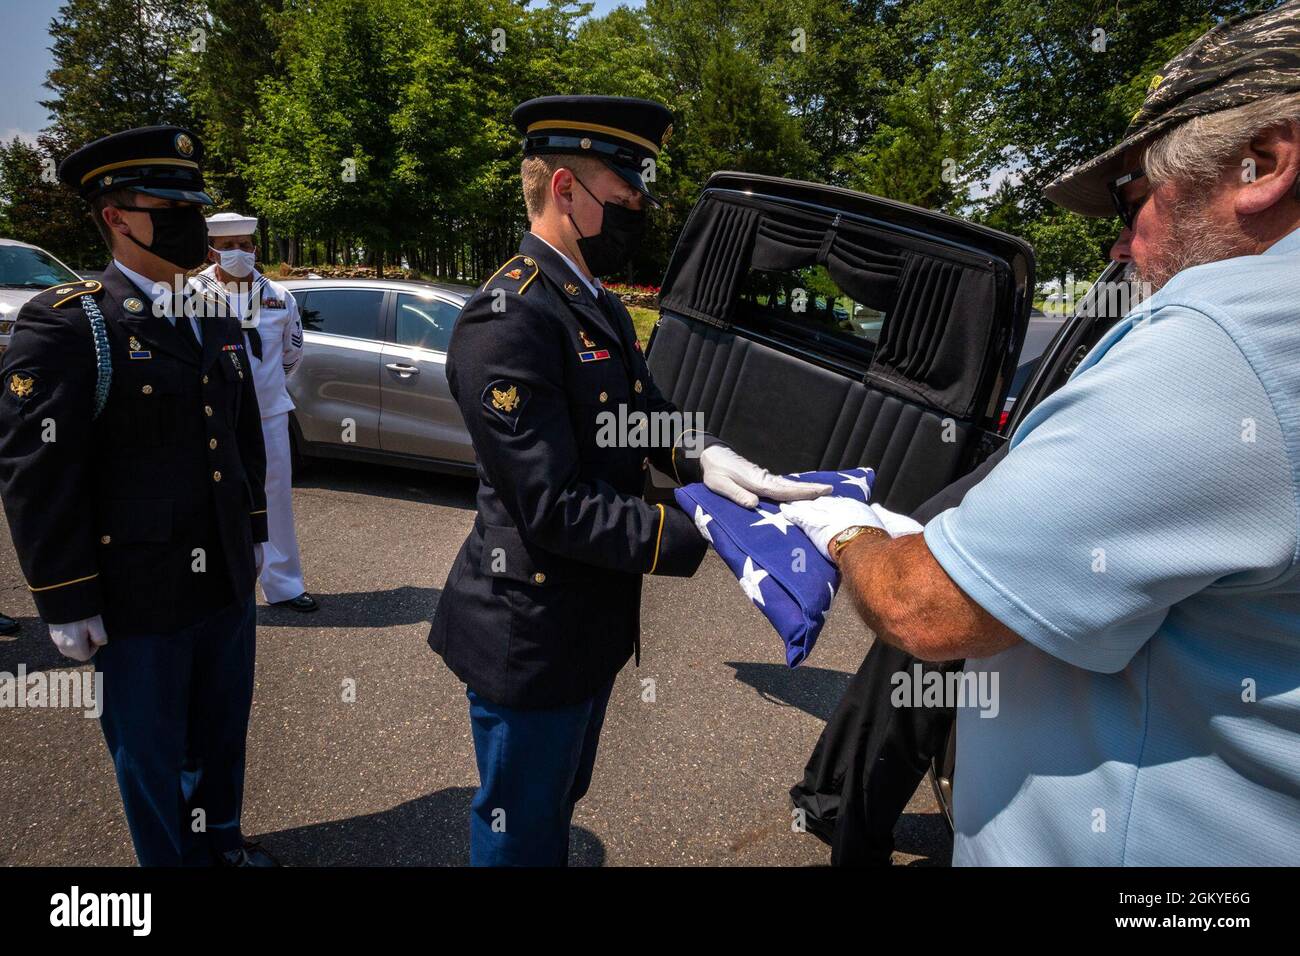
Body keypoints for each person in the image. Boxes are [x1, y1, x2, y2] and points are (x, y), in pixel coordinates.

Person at [779, 2, 1300, 865]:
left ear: (1266, 162)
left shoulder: (1231, 332)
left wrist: (848, 531)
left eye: (1133, 197)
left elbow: (928, 609)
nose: (1126, 245)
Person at [428, 95, 830, 866]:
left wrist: (705, 456)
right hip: (531, 632)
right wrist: (707, 526)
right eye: (628, 191)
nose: (641, 206)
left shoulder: (591, 301)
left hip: (588, 624)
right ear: (567, 191)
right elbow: (551, 505)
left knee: (556, 801)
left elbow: (638, 414)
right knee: (520, 826)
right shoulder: (509, 317)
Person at [0, 126, 275, 866]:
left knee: (222, 730)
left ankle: (220, 844)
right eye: (169, 205)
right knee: (151, 753)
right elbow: (36, 470)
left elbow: (242, 433)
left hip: (222, 573)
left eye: (195, 204)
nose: (192, 221)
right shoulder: (71, 322)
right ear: (115, 216)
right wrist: (64, 594)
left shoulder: (213, 308)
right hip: (137, 590)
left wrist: (254, 531)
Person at [192, 212, 316, 612]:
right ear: (212, 250)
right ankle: (212, 583)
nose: (238, 254)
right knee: (209, 498)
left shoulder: (280, 295)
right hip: (212, 417)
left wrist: (260, 388)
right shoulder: (190, 293)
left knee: (275, 498)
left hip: (268, 414)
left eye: (245, 246)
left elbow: (291, 354)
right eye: (228, 248)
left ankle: (284, 585)